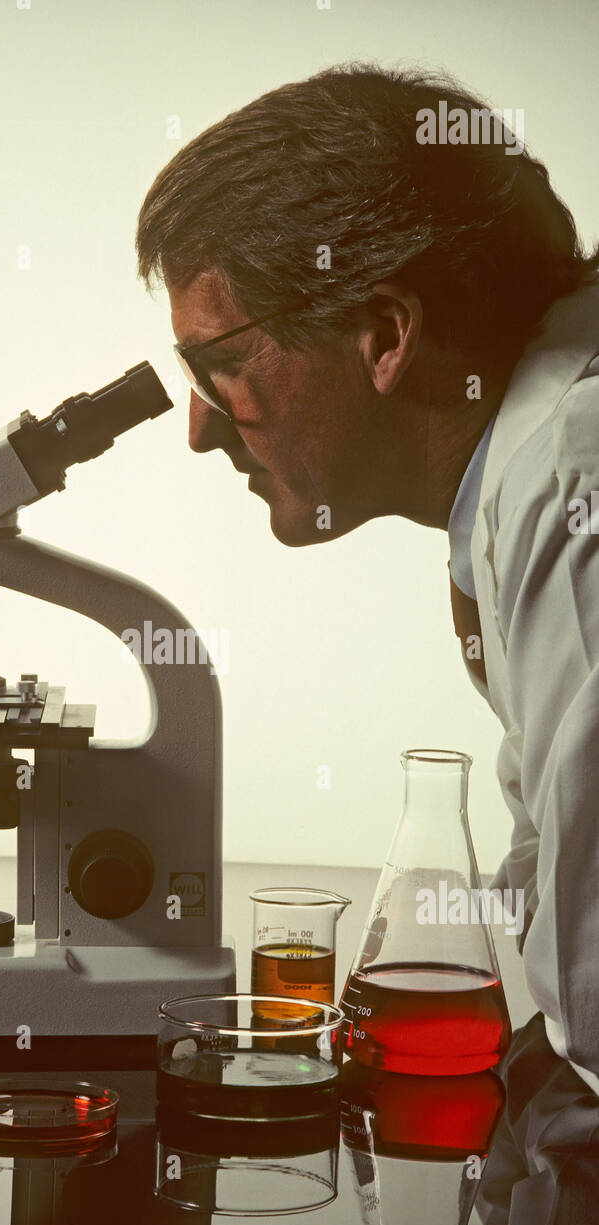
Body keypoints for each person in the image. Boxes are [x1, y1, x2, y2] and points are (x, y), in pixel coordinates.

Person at [135, 65, 599, 1098]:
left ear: (385, 333)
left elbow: (593, 994)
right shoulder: (524, 462)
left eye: (218, 364)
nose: (200, 427)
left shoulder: (569, 481)